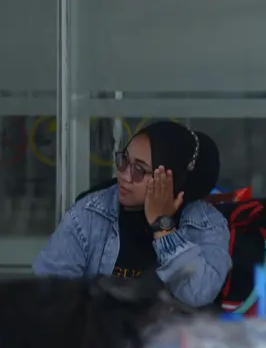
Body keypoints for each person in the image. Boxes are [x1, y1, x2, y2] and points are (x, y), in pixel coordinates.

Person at [33, 121, 231, 307]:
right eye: (124, 160)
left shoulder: (206, 223)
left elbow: (199, 294)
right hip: (104, 329)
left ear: (171, 180)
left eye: (139, 170)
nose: (124, 175)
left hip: (171, 331)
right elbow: (49, 291)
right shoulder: (90, 212)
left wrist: (162, 225)